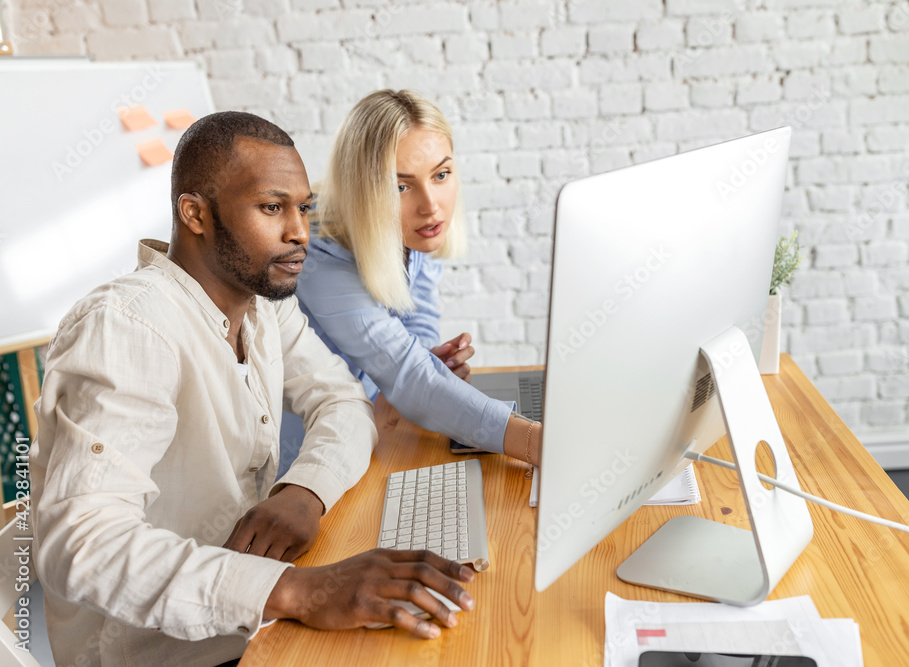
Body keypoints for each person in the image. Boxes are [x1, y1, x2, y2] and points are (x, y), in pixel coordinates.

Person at [30, 111, 475, 667]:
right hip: (164, 653)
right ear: (195, 213)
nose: (300, 233)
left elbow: (341, 400)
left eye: (303, 208)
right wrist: (299, 590)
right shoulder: (126, 326)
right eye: (272, 208)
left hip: (254, 625)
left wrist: (306, 491)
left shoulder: (262, 308)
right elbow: (83, 547)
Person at [279, 90, 540, 477]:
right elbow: (409, 377)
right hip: (312, 461)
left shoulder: (413, 229)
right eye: (401, 186)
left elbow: (416, 324)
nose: (431, 205)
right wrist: (535, 442)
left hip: (378, 427)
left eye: (441, 174)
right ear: (363, 191)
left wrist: (430, 359)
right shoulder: (318, 255)